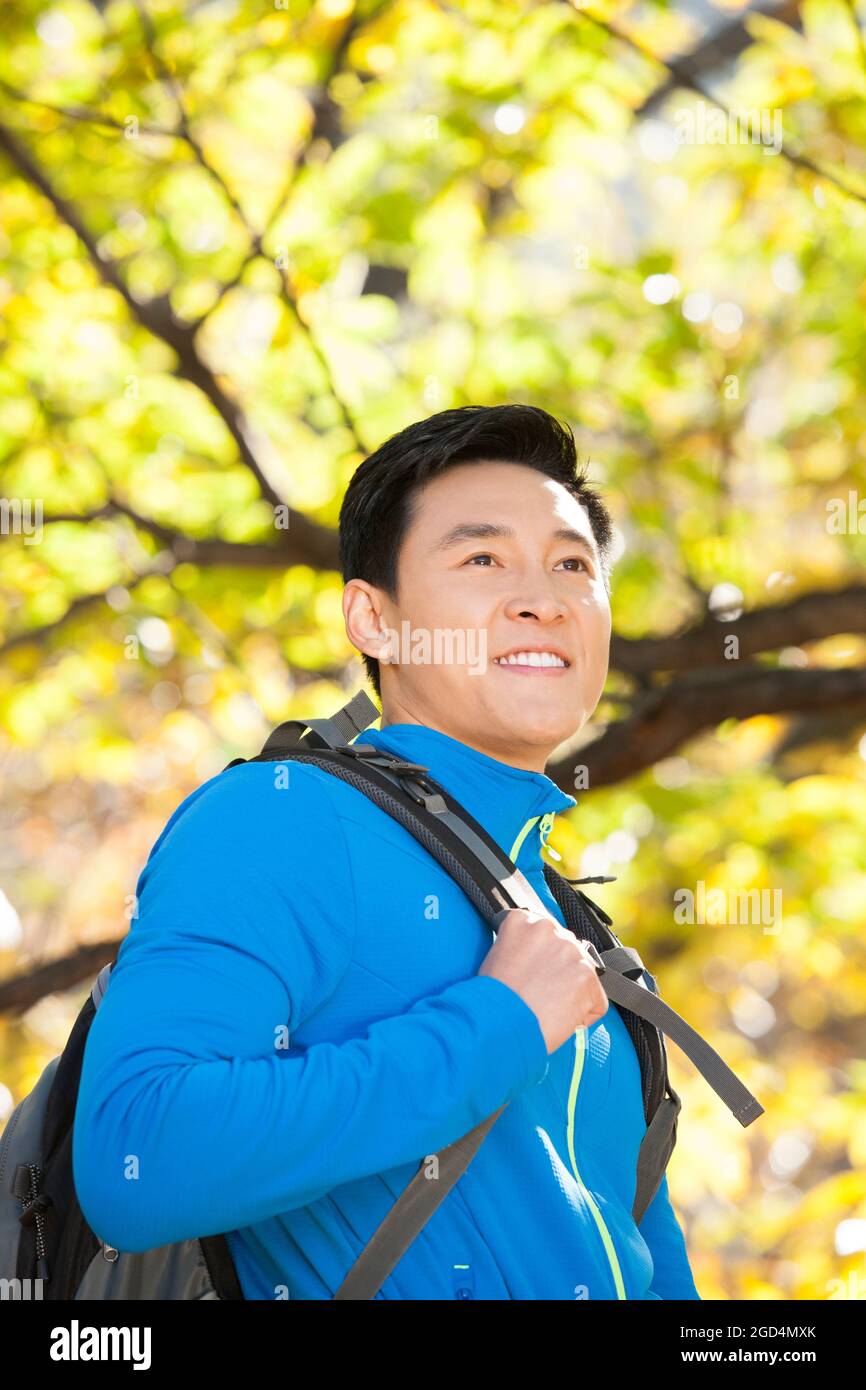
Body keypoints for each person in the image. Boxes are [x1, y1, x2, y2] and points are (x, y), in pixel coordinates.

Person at [73, 403, 700, 1300]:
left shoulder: (572, 927)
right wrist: (498, 1025)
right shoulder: (282, 819)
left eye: (573, 564)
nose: (543, 598)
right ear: (373, 619)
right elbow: (139, 1152)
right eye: (482, 559)